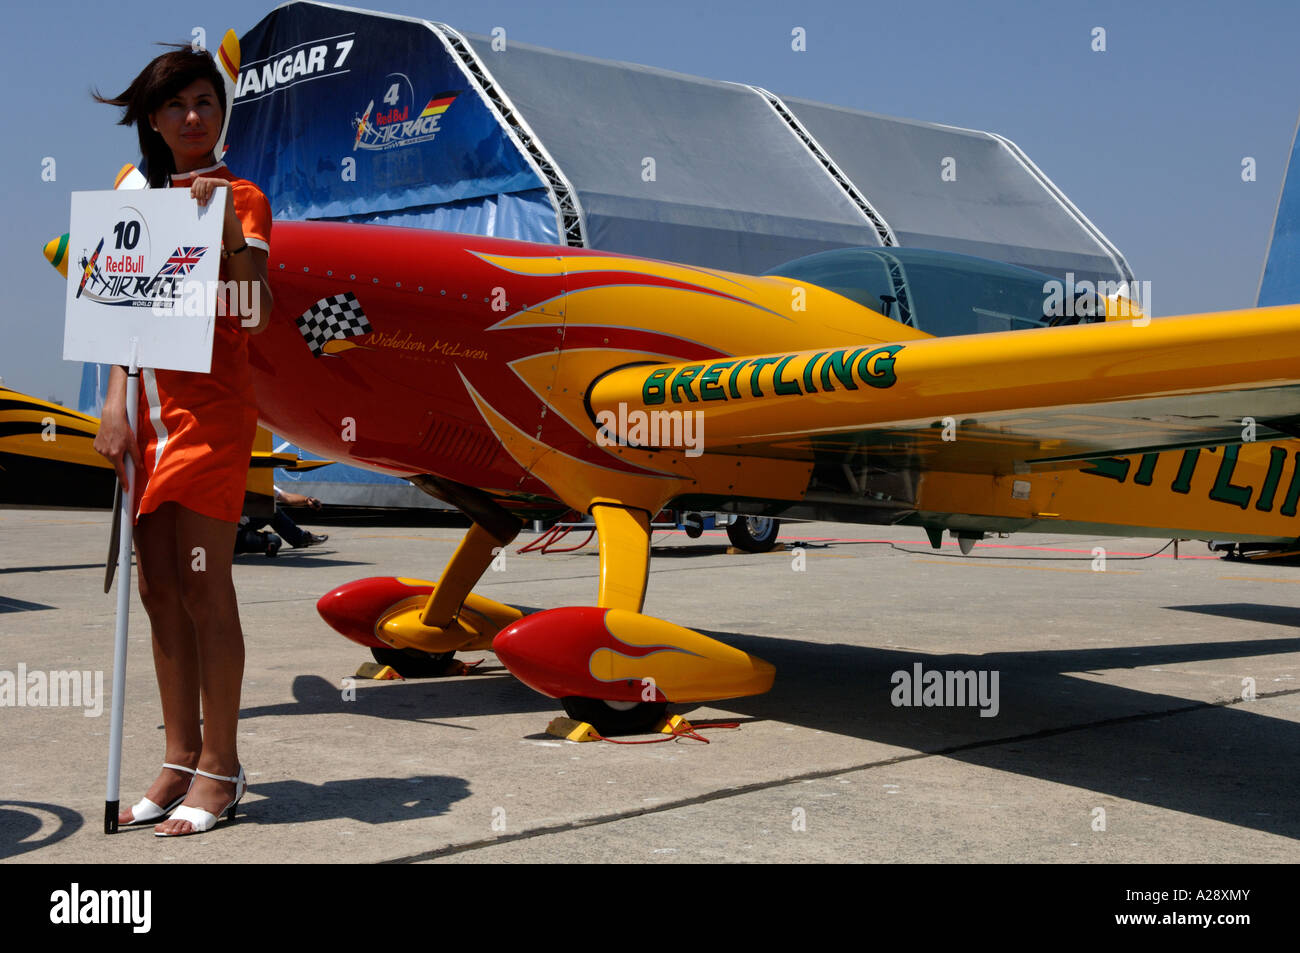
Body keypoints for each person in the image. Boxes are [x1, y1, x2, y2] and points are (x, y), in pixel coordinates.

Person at [91, 46, 274, 837]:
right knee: (157, 589)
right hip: (146, 413)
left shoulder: (243, 194)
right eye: (176, 105)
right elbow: (114, 313)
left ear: (220, 113)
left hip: (210, 415)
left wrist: (228, 227)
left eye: (205, 101)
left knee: (205, 585)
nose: (192, 117)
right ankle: (178, 756)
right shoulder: (132, 197)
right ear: (154, 120)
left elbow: (257, 308)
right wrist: (110, 404)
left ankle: (223, 767)